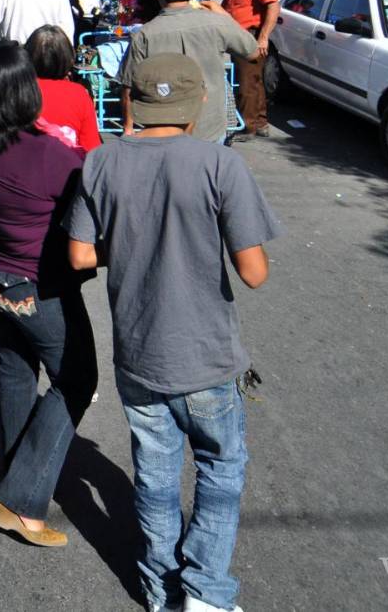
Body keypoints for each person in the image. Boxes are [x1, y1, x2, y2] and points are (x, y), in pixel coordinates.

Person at [68, 54, 277, 612]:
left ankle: (160, 589)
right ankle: (206, 592)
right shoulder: (219, 165)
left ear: (130, 101)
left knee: (155, 476)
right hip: (206, 355)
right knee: (220, 468)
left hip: (138, 354)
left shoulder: (100, 163)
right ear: (199, 104)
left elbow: (81, 254)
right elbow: (254, 273)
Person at [0, 43, 97, 548]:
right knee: (77, 379)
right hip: (34, 284)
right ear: (23, 94)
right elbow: (92, 174)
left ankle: (16, 472)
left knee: (15, 367)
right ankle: (21, 499)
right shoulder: (48, 155)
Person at [119, 0, 258, 146]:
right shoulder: (217, 23)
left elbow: (129, 87)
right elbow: (253, 52)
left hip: (164, 129)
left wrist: (128, 128)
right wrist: (225, 17)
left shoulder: (145, 34)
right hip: (209, 126)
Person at [219, 0, 280, 139]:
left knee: (248, 82)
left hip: (250, 35)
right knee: (252, 81)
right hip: (239, 35)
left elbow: (273, 7)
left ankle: (249, 125)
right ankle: (259, 122)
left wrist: (263, 38)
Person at [25, 25, 102, 153]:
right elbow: (91, 147)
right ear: (68, 57)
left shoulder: (18, 88)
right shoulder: (78, 93)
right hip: (68, 166)